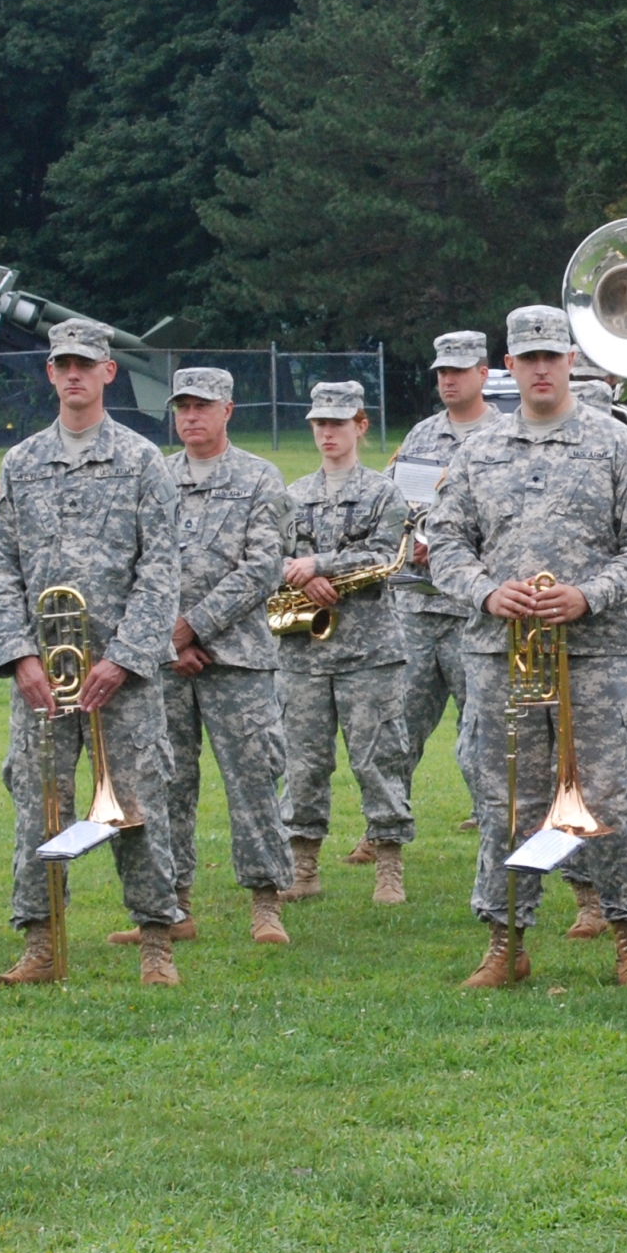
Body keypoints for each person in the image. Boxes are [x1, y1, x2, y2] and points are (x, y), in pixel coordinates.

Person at [426, 305, 627, 991]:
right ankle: (507, 939)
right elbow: (443, 545)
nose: (540, 368)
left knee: (615, 800)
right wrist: (484, 591)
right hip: (502, 656)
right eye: (527, 358)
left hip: (600, 659)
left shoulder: (617, 444)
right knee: (509, 802)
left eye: (552, 356)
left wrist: (589, 595)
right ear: (508, 367)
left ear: (572, 363)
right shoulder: (476, 452)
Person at [0, 319, 185, 986]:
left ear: (107, 372)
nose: (73, 374)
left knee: (136, 805)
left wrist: (124, 658)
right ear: (50, 374)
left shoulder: (141, 461)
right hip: (44, 677)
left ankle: (157, 941)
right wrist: (19, 658)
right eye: (61, 364)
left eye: (85, 364)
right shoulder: (21, 464)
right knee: (38, 803)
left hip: (120, 676)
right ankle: (41, 943)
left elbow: (161, 569)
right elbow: (2, 568)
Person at [145, 367, 297, 949]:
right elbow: (140, 567)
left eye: (202, 406)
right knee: (165, 782)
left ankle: (266, 903)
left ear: (227, 411)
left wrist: (194, 628)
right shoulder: (155, 475)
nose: (190, 417)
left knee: (254, 778)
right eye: (182, 407)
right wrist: (168, 642)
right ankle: (170, 905)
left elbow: (262, 568)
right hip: (165, 661)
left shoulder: (260, 479)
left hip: (238, 660)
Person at [274, 382, 416, 903]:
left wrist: (322, 564)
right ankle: (303, 868)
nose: (327, 432)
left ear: (360, 425)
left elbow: (386, 557)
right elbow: (266, 557)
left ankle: (388, 864)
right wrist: (299, 576)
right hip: (303, 655)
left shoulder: (384, 493)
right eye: (319, 424)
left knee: (379, 759)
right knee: (303, 762)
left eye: (338, 423)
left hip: (370, 652)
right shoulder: (291, 496)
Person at [377, 330, 492, 856]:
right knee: (398, 723)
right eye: (442, 371)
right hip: (418, 604)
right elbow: (389, 501)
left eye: (459, 371)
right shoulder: (420, 435)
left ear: (484, 373)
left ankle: (499, 820)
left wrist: (449, 546)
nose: (448, 379)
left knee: (488, 727)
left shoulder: (506, 436)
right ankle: (383, 826)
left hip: (477, 607)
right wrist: (410, 540)